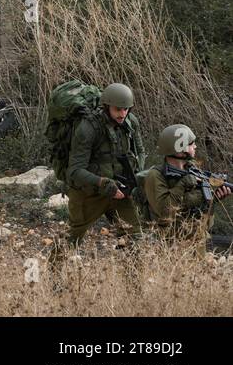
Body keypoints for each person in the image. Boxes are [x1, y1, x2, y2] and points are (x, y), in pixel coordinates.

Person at [64, 82, 145, 247]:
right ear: (107, 106)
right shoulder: (88, 128)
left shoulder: (131, 123)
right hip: (89, 193)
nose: (123, 114)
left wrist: (136, 177)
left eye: (126, 109)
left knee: (135, 239)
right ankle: (54, 272)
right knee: (71, 241)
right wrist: (102, 182)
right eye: (118, 109)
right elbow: (74, 171)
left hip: (121, 191)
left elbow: (141, 152)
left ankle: (133, 273)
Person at [142, 123, 230, 244]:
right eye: (191, 144)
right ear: (179, 149)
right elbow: (164, 211)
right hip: (168, 245)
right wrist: (183, 184)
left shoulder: (193, 170)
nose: (195, 146)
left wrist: (213, 200)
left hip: (195, 242)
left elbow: (205, 220)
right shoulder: (155, 175)